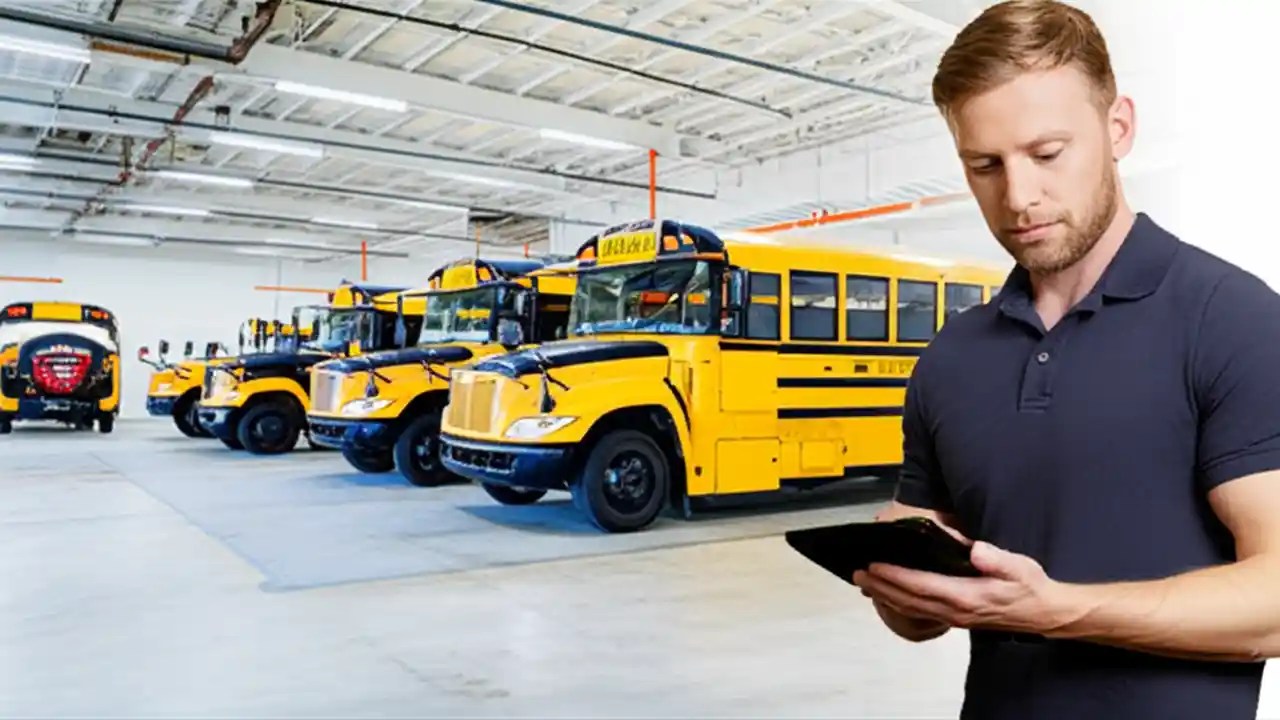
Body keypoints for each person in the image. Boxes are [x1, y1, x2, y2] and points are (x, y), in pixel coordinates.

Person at [850, 1, 1280, 718]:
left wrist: (1057, 610)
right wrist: (907, 588)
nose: (1018, 197)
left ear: (1118, 129)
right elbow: (918, 621)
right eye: (984, 165)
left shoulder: (1232, 318)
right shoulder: (950, 360)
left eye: (1047, 154)